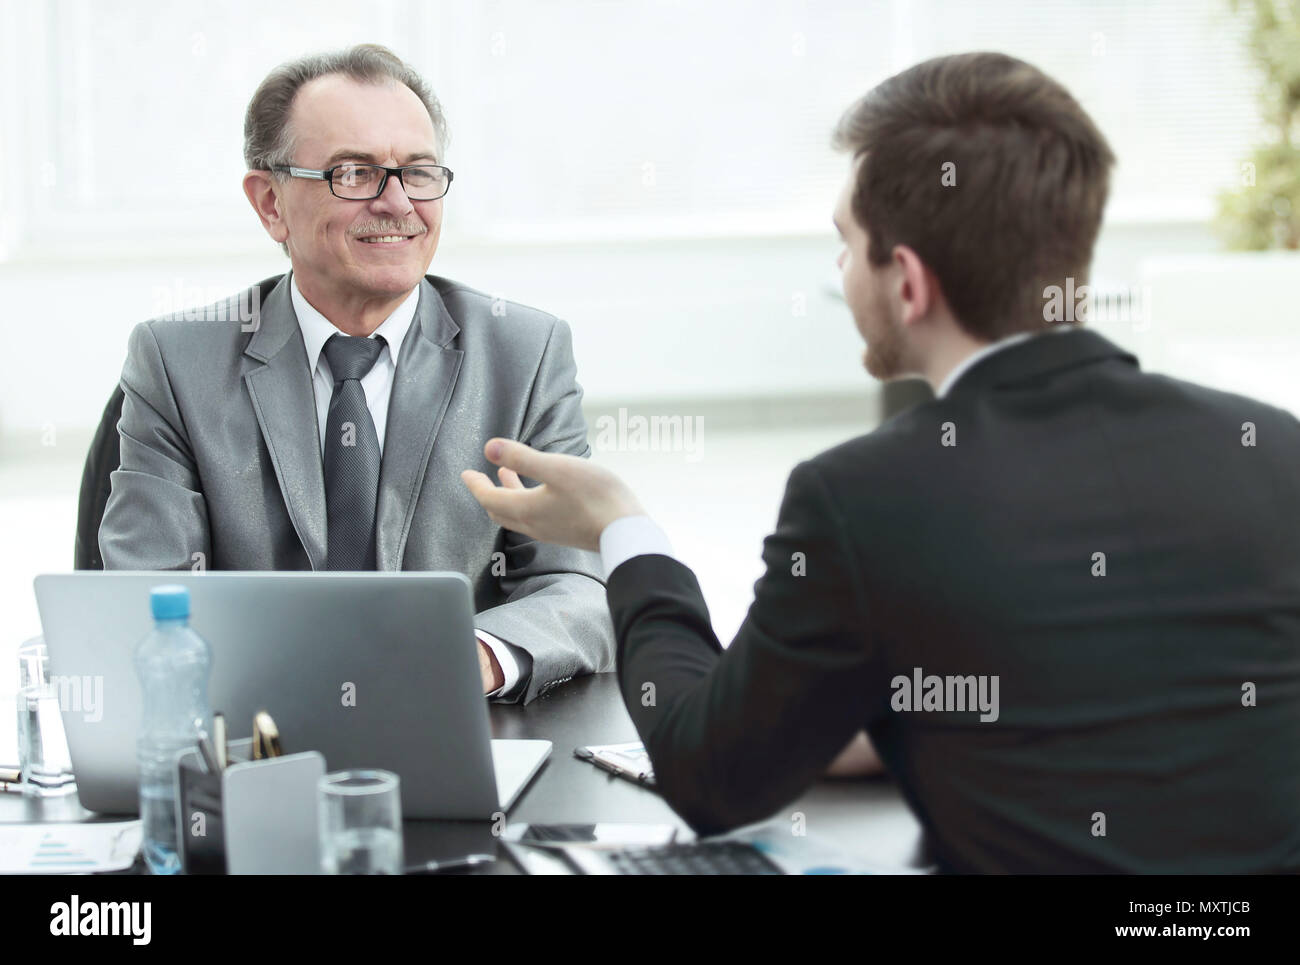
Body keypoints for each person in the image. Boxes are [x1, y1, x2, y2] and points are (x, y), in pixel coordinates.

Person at [461, 52, 1300, 871]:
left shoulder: (864, 497)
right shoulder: (1272, 448)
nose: (839, 269)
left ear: (908, 281)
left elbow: (712, 773)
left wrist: (624, 531)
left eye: (846, 243)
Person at [99, 44, 614, 703]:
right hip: (256, 740)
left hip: (457, 732)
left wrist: (475, 655)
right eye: (354, 173)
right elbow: (145, 593)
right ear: (270, 203)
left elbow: (578, 587)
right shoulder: (175, 362)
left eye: (418, 173)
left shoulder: (525, 353)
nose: (397, 202)